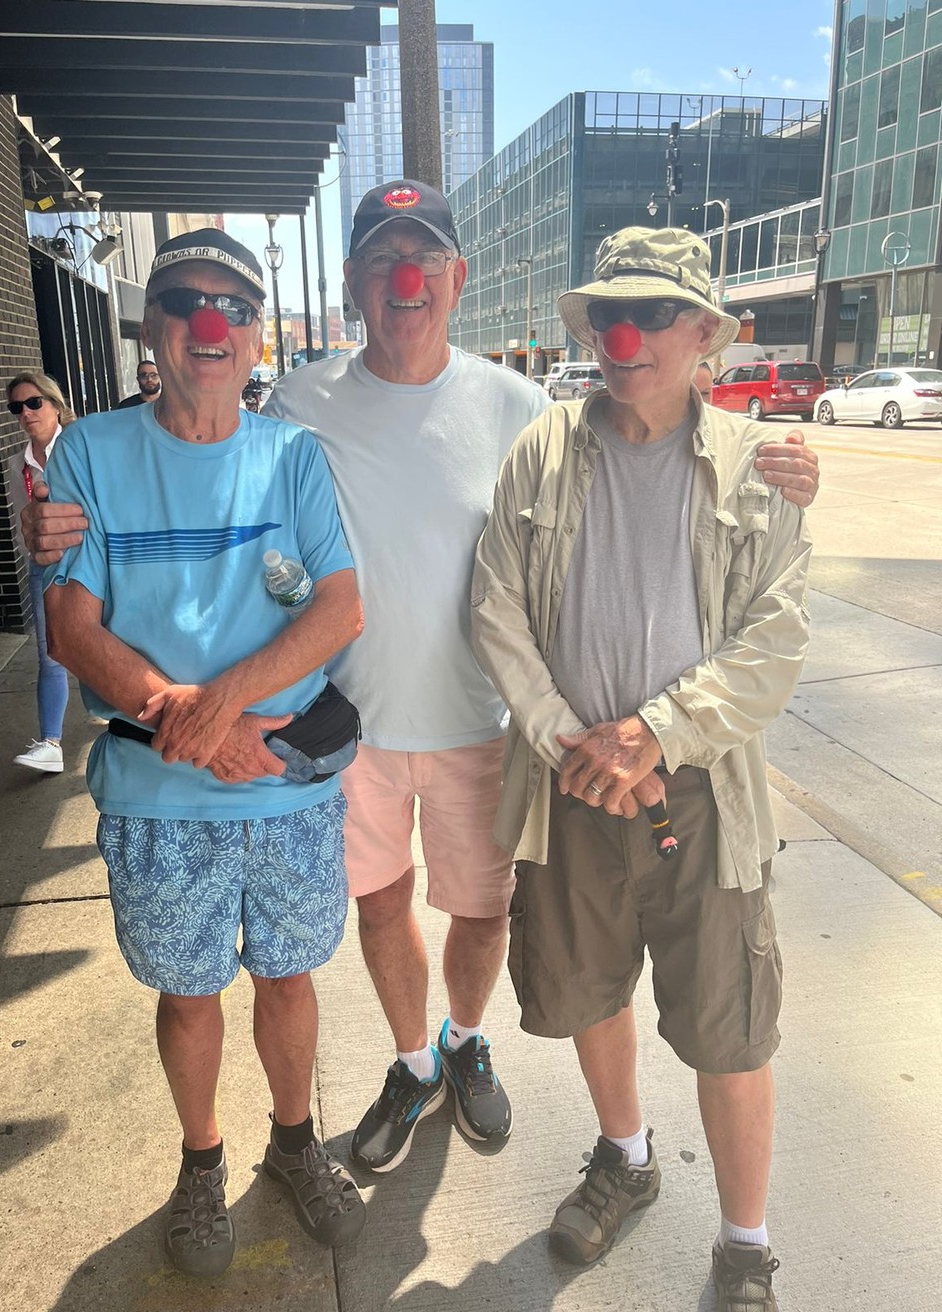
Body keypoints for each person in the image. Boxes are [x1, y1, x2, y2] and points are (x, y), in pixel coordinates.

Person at [21, 184, 821, 1184]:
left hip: (488, 725)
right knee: (381, 901)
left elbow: (646, 447)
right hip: (347, 727)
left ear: (456, 277)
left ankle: (464, 1035)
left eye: (425, 258)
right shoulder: (299, 402)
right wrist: (58, 524)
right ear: (354, 281)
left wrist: (779, 460)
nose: (406, 280)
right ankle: (411, 1058)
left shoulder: (524, 410)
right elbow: (192, 442)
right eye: (383, 259)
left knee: (482, 910)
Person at [471, 226, 810, 1311]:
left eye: (655, 313)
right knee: (588, 989)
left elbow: (774, 639)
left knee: (728, 1021)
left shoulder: (763, 463)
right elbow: (497, 607)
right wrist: (575, 739)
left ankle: (746, 1243)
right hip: (571, 784)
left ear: (705, 333)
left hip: (701, 794)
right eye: (612, 311)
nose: (627, 333)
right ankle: (627, 1152)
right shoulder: (544, 447)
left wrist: (656, 732)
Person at [41, 228, 367, 1277]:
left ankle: (293, 1141)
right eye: (184, 299)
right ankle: (200, 1158)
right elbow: (72, 625)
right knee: (186, 995)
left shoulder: (292, 455)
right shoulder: (90, 451)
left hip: (283, 786)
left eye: (232, 302)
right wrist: (180, 712)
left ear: (256, 332)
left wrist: (222, 705)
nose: (208, 322)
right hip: (158, 794)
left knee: (289, 978)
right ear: (153, 327)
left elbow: (340, 609)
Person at [7, 370, 74, 773]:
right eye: (18, 407)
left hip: (91, 560)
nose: (27, 412)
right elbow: (22, 521)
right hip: (43, 566)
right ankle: (51, 742)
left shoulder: (81, 449)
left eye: (34, 402)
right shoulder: (19, 465)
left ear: (54, 404)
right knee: (51, 655)